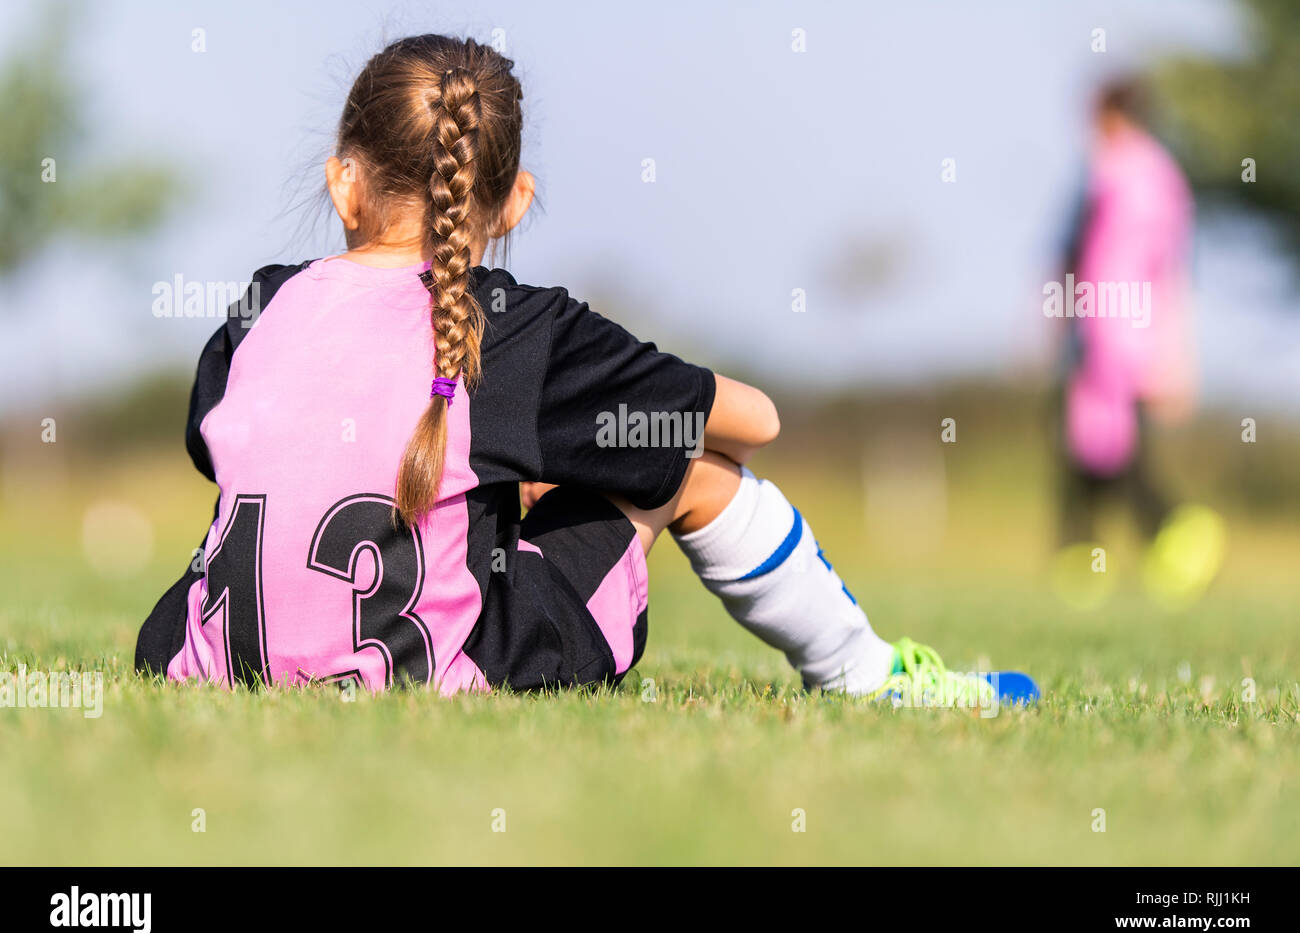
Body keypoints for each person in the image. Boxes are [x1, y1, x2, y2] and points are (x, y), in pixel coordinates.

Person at [137, 34, 1036, 704]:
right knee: (691, 466)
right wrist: (571, 446)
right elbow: (755, 419)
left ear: (344, 181)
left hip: (210, 656)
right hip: (437, 668)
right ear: (515, 196)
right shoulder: (519, 329)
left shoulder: (263, 302)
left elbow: (240, 453)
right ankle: (866, 676)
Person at [1053, 79, 1222, 607]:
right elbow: (1171, 271)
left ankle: (1171, 534)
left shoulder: (1113, 172)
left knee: (1101, 447)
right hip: (1134, 330)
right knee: (1101, 448)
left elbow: (1079, 254)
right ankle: (1093, 554)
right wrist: (1173, 349)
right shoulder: (1166, 179)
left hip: (1109, 331)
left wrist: (1060, 317)